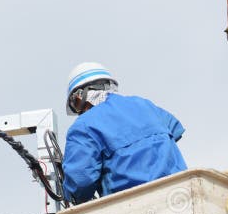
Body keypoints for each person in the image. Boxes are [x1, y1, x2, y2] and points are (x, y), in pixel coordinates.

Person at [62, 62, 187, 204]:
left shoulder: (83, 126)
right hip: (182, 194)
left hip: (133, 208)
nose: (80, 112)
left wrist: (69, 192)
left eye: (76, 106)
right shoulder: (144, 104)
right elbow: (175, 131)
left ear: (80, 97)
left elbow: (80, 183)